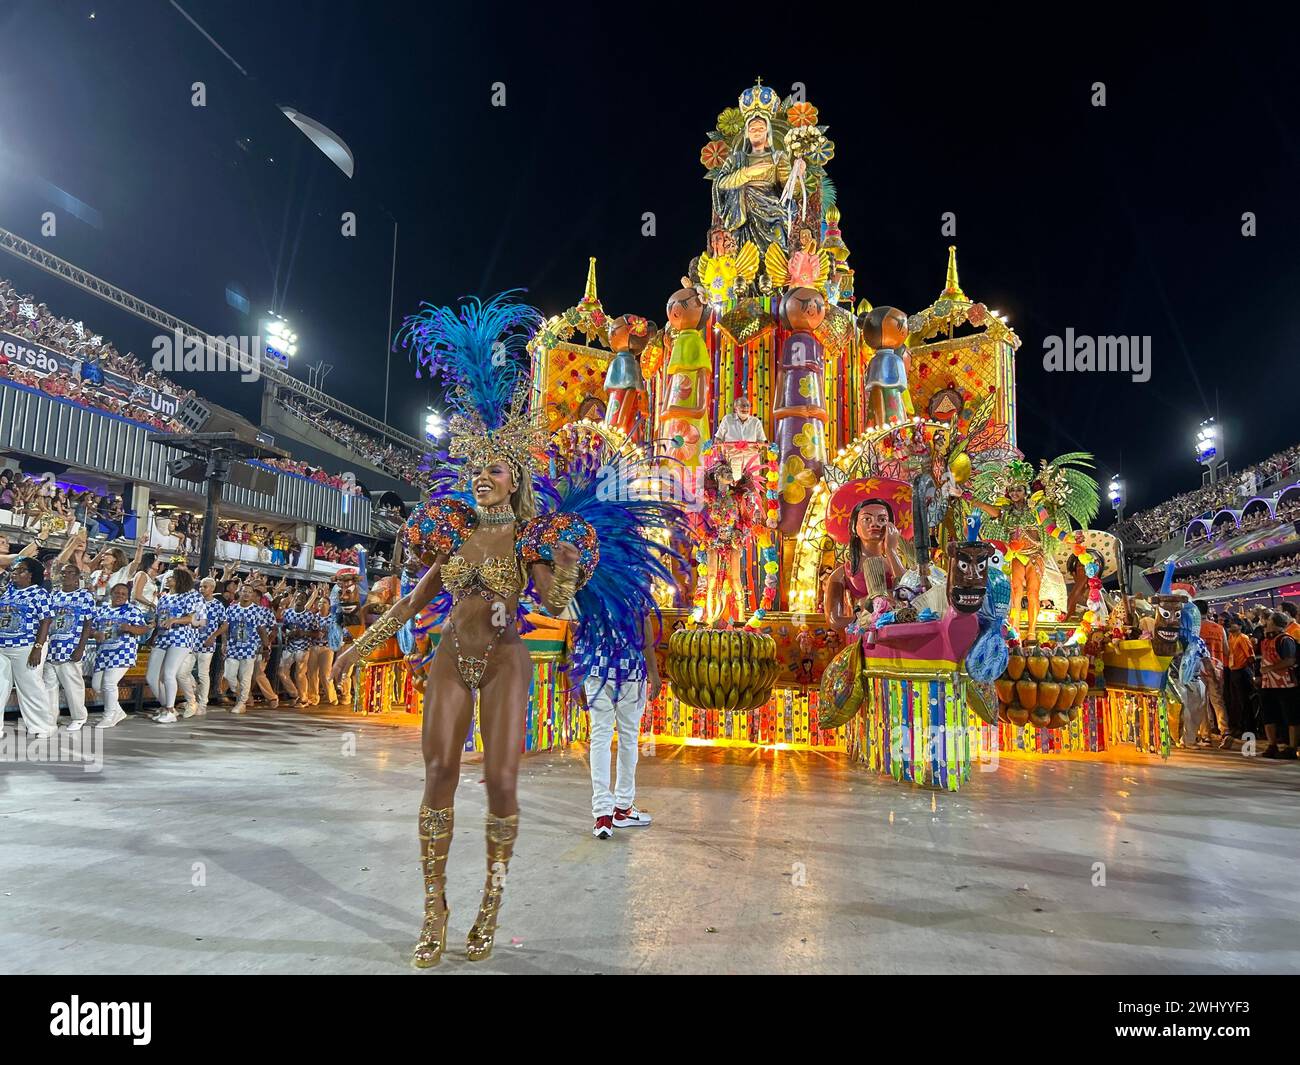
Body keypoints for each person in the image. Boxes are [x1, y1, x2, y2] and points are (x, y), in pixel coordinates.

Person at [585, 614, 659, 838]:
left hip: (596, 667)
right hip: (630, 668)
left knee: (600, 736)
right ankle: (622, 808)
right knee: (627, 738)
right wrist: (654, 673)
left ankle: (602, 815)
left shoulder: (589, 580)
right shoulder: (636, 580)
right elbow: (643, 623)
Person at [0, 556, 54, 736]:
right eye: (14, 569)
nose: (14, 572)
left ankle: (43, 726)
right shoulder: (8, 591)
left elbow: (46, 621)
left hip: (27, 646)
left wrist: (38, 647)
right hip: (3, 646)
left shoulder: (39, 593)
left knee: (30, 687)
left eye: (20, 570)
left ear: (31, 575)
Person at [43, 561, 97, 732]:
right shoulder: (54, 595)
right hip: (52, 647)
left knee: (73, 686)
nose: (66, 575)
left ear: (77, 577)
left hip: (71, 647)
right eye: (64, 572)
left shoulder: (85, 596)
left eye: (70, 573)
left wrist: (81, 648)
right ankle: (51, 718)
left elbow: (88, 624)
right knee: (49, 686)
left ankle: (79, 717)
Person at [145, 567, 200, 724]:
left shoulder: (187, 597)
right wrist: (153, 627)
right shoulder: (163, 597)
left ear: (180, 580)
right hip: (162, 637)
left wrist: (174, 620)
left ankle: (169, 709)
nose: (167, 579)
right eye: (167, 577)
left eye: (171, 577)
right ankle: (166, 706)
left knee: (169, 674)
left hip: (180, 638)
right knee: (151, 676)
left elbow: (191, 619)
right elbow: (159, 618)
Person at [92, 584, 150, 728]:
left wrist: (130, 628)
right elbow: (91, 628)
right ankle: (117, 711)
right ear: (111, 593)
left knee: (109, 683)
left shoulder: (132, 610)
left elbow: (143, 629)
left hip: (123, 652)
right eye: (117, 593)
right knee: (97, 685)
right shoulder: (102, 609)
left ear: (127, 596)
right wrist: (94, 634)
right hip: (104, 652)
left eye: (123, 594)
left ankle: (109, 716)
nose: (120, 596)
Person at [219, 583, 274, 714]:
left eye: (249, 592)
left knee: (245, 677)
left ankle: (242, 702)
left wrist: (266, 647)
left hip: (249, 648)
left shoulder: (257, 610)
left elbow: (261, 630)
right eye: (244, 591)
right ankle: (242, 695)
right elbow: (225, 627)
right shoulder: (232, 608)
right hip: (233, 647)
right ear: (240, 592)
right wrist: (224, 643)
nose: (247, 594)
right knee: (229, 675)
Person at [1258, 611, 1299, 759]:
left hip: (1286, 684)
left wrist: (1269, 669)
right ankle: (1272, 745)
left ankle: (1291, 747)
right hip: (1268, 684)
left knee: (1291, 716)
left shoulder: (1285, 639)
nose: (1265, 623)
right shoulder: (1266, 640)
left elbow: (1290, 660)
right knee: (1269, 716)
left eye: (1268, 620)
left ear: (1274, 623)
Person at [1195, 599, 1230, 746]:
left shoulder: (1195, 629)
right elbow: (1227, 650)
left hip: (1200, 668)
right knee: (1218, 702)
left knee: (1202, 702)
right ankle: (1225, 731)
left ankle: (1205, 735)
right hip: (1218, 669)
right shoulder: (1219, 628)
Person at [277, 589, 315, 707]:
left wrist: (303, 633)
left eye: (302, 598)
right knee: (281, 672)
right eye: (298, 597)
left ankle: (303, 699)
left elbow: (317, 633)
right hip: (289, 646)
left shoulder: (309, 615)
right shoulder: (288, 612)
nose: (299, 600)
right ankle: (295, 694)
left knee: (300, 674)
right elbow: (283, 628)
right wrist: (287, 633)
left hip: (303, 648)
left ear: (305, 601)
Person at [191, 576, 224, 713]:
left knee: (203, 674)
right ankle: (192, 699)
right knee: (183, 671)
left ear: (212, 589)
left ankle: (202, 704)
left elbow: (225, 624)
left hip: (207, 644)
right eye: (200, 586)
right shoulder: (195, 602)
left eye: (205, 587)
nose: (202, 589)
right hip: (191, 642)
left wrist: (213, 637)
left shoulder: (218, 605)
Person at [1224, 619, 1256, 746]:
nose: (1230, 626)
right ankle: (1241, 727)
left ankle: (1250, 729)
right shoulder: (1231, 637)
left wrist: (1250, 673)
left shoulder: (1243, 638)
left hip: (1242, 671)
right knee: (1237, 702)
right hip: (1234, 671)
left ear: (1240, 626)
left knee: (1245, 701)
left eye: (1233, 624)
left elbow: (1250, 657)